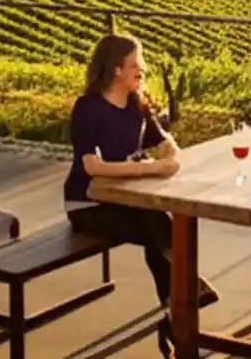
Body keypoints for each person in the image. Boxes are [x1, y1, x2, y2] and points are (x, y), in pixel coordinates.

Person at [63, 33, 218, 358]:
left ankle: (175, 315)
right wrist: (148, 168)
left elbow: (167, 148)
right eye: (136, 65)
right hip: (87, 203)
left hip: (126, 201)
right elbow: (92, 167)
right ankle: (184, 294)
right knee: (157, 226)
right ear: (116, 70)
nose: (142, 70)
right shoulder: (88, 108)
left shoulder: (136, 104)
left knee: (156, 227)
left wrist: (165, 149)